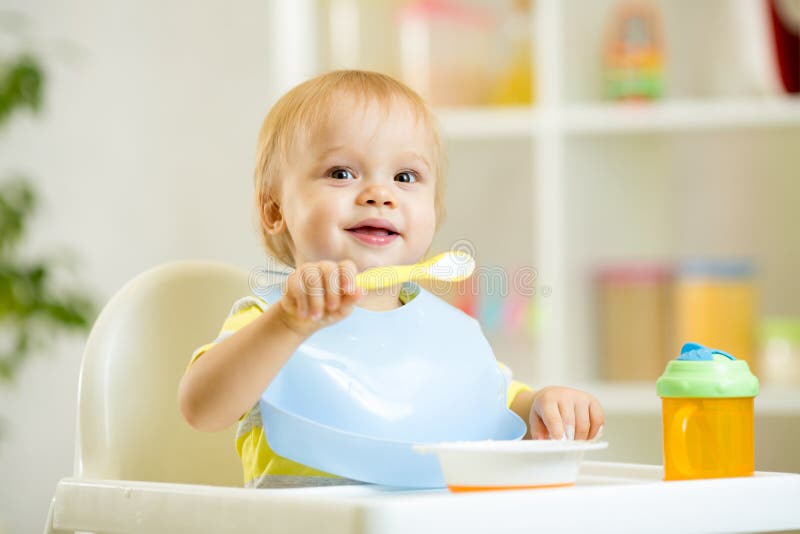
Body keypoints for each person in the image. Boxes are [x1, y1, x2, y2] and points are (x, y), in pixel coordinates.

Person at [178, 70, 604, 489]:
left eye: (405, 177)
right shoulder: (267, 321)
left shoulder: (448, 330)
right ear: (275, 211)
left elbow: (494, 408)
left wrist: (542, 409)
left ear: (434, 210)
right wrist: (287, 325)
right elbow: (201, 408)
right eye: (342, 173)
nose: (380, 194)